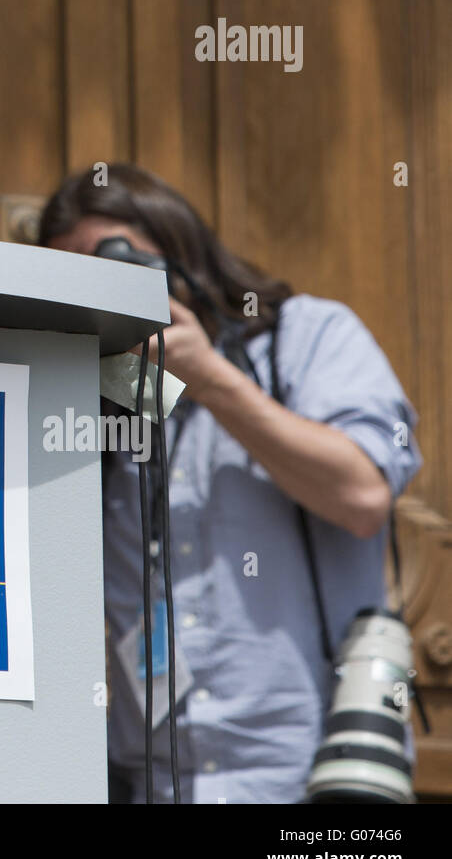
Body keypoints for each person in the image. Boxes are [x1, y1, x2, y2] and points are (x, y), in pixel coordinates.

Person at [38, 163, 420, 803]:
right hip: (159, 787)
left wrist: (207, 376)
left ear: (178, 253)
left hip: (311, 784)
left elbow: (362, 497)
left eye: (111, 262)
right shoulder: (101, 398)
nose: (98, 292)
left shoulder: (304, 340)